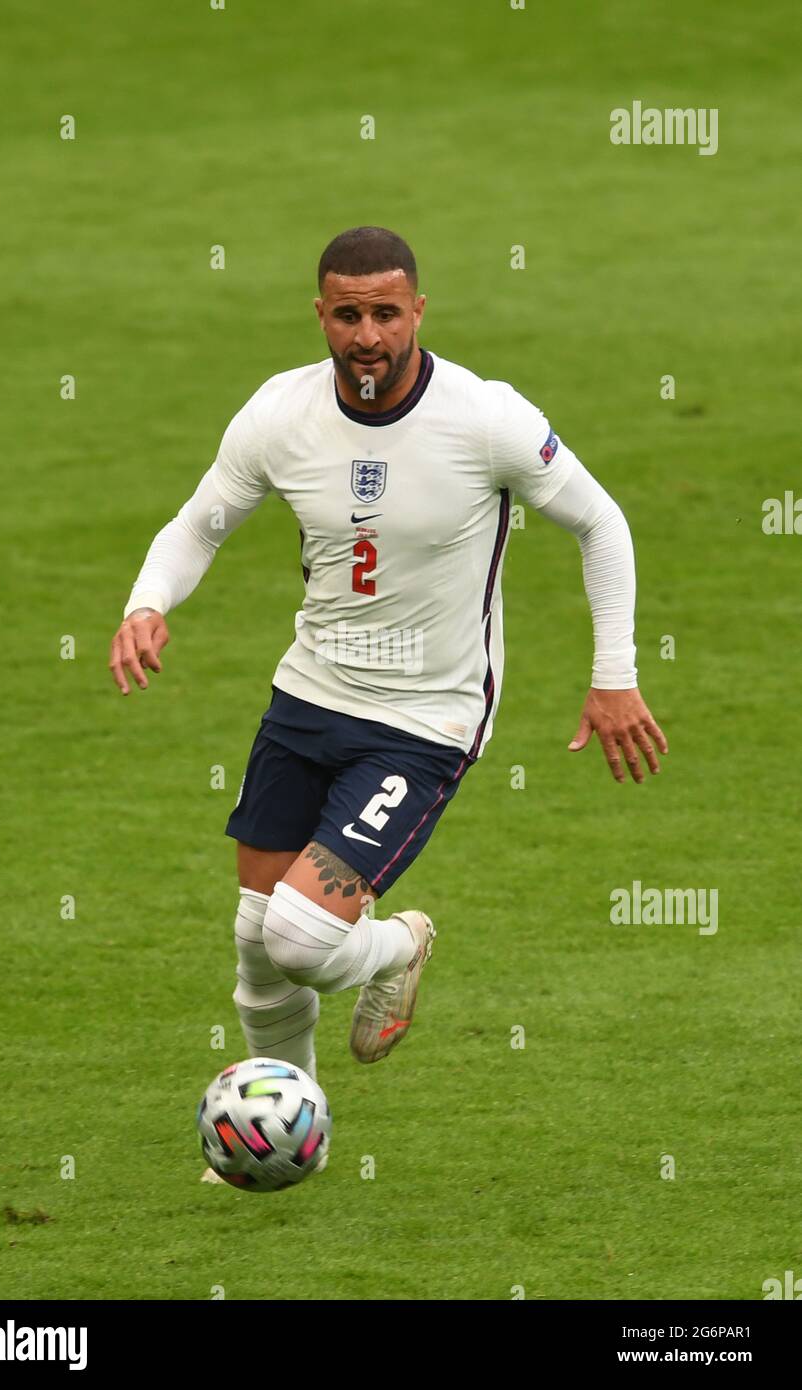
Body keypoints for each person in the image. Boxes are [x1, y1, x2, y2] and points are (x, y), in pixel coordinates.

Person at [110, 226, 667, 1172]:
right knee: (256, 943)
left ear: (418, 312)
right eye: (346, 312)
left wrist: (614, 673)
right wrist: (146, 602)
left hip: (425, 718)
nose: (366, 334)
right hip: (308, 695)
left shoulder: (485, 418)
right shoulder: (279, 414)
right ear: (320, 314)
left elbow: (599, 522)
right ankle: (286, 1137)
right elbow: (197, 523)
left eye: (385, 312)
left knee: (298, 933)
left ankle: (400, 946)